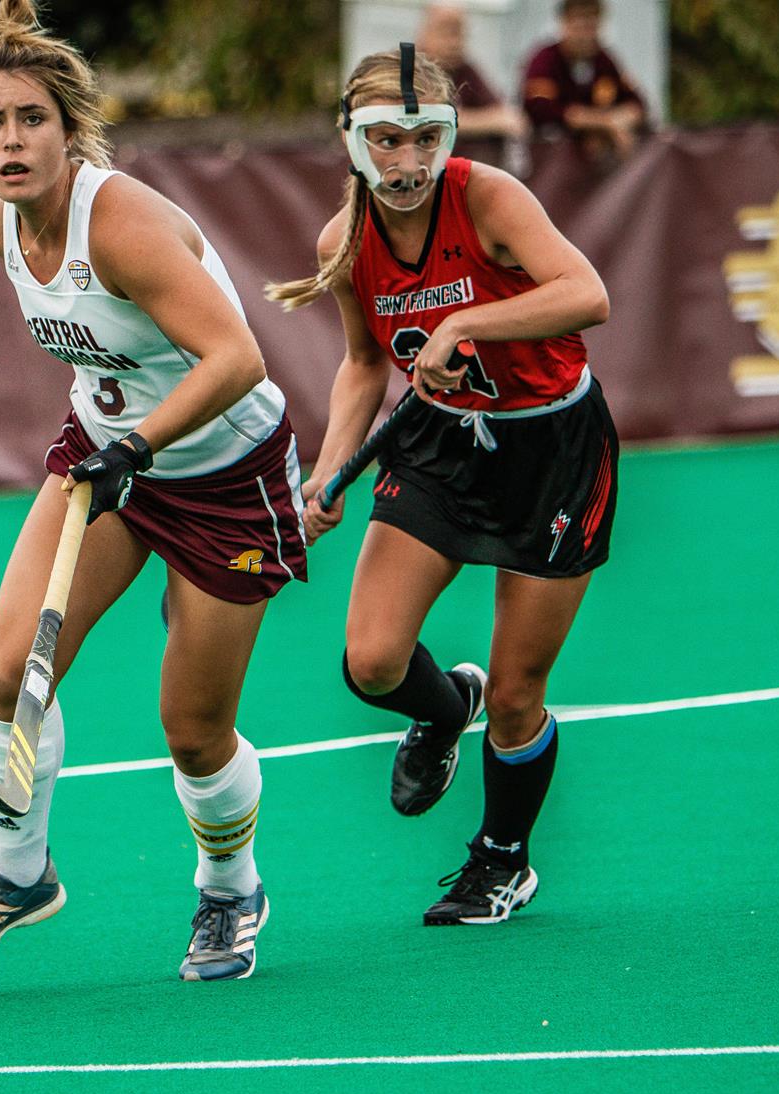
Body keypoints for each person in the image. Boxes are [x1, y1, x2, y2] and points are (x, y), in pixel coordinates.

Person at [0, 0, 306, 982]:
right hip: (105, 456)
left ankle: (229, 888)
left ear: (67, 128)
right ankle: (17, 874)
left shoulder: (119, 223)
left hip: (227, 472)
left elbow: (236, 359)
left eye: (30, 119)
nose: (10, 140)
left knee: (194, 730)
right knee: (9, 677)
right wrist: (114, 439)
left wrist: (136, 441)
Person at [266, 44, 616, 926]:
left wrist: (466, 319)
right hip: (438, 451)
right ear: (351, 140)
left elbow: (588, 293)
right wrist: (329, 469)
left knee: (518, 693)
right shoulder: (344, 241)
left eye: (426, 138)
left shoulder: (489, 197)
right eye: (385, 139)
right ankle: (439, 704)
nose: (408, 162)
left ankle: (503, 858)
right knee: (372, 662)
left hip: (554, 453)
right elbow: (359, 363)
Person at [522, 0, 647, 165]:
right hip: (551, 165)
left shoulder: (605, 60)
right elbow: (540, 108)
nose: (585, 35)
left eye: (592, 26)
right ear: (563, 24)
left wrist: (622, 120)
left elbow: (637, 103)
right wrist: (602, 123)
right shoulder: (544, 59)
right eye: (579, 26)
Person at [416, 3, 531, 145]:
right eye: (445, 32)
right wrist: (486, 122)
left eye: (459, 33)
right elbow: (424, 117)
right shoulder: (410, 68)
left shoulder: (465, 69)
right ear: (424, 32)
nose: (454, 43)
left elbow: (507, 115)